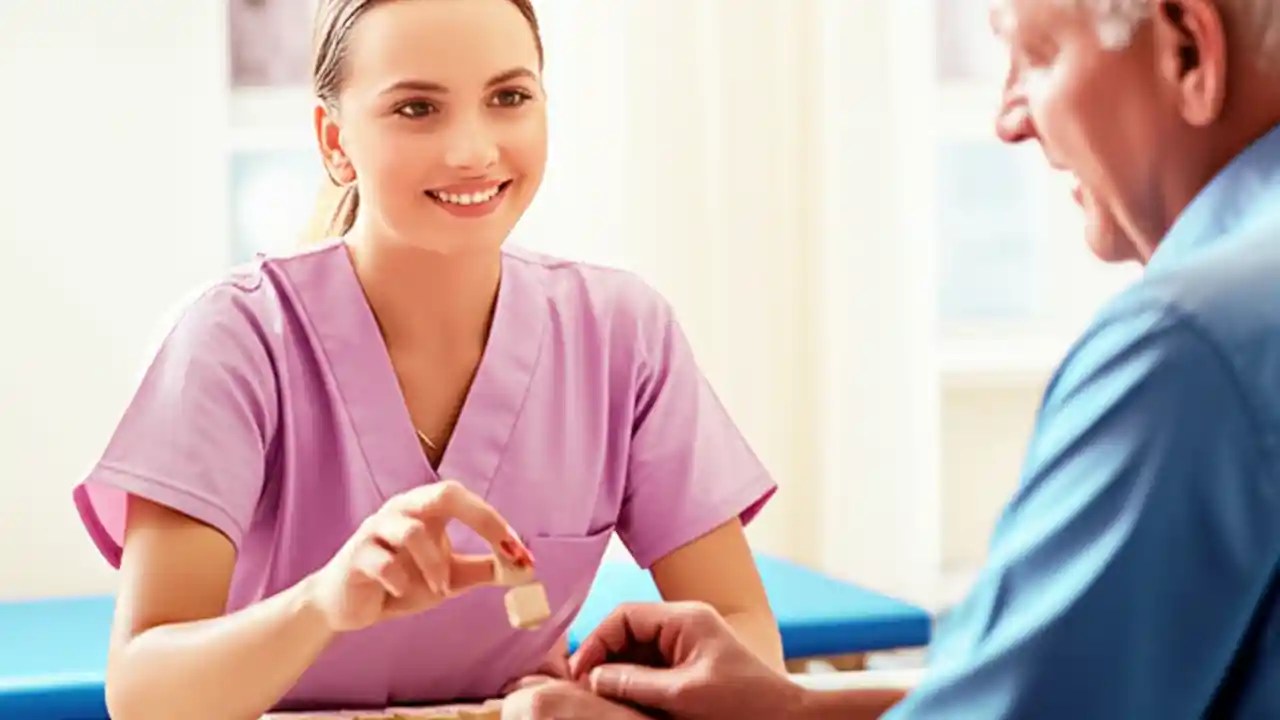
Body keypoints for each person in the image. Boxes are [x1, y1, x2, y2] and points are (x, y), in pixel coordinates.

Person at [504, 0, 1280, 717]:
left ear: (1188, 48)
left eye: (1037, 59)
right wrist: (793, 711)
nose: (1009, 118)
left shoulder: (1189, 347)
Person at [73, 0, 783, 717]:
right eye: (416, 108)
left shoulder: (623, 334)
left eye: (509, 97)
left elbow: (747, 645)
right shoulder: (231, 341)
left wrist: (615, 708)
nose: (473, 150)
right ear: (334, 140)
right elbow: (143, 694)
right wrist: (324, 602)